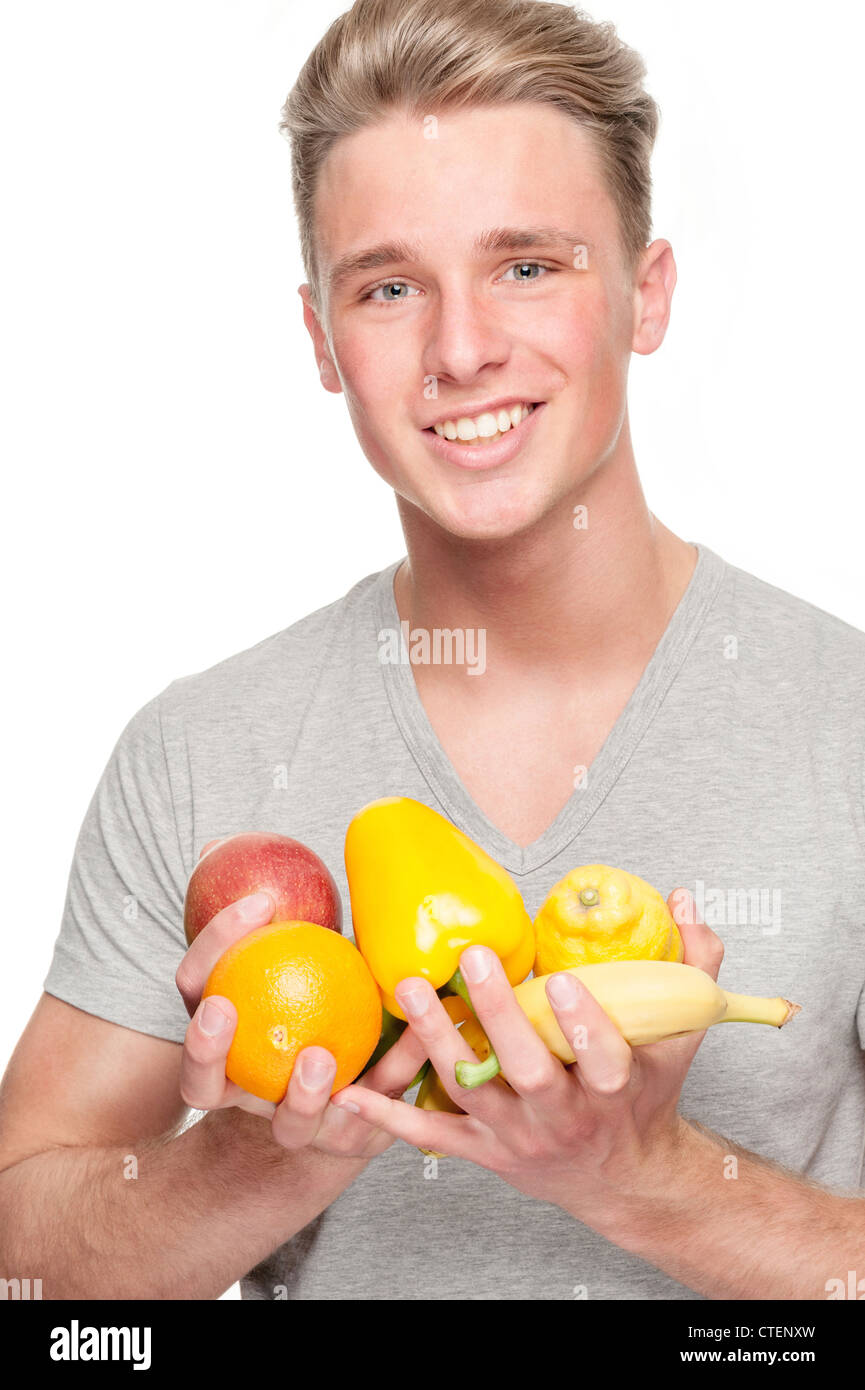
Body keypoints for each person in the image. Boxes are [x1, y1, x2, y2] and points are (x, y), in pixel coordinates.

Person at [1, 0, 863, 1302]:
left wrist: (647, 1178)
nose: (461, 350)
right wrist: (258, 1161)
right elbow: (21, 1255)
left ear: (646, 295)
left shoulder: (845, 727)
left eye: (528, 266)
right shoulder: (200, 752)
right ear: (320, 339)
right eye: (390, 287)